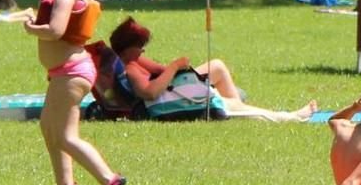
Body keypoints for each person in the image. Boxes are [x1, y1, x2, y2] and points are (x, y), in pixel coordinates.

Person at [25, 0, 124, 185]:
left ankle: (109, 179)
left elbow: (55, 31)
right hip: (69, 71)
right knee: (49, 127)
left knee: (65, 136)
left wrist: (30, 27)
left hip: (70, 72)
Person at [92, 17, 317, 122]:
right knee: (236, 106)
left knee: (217, 67)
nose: (143, 51)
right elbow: (150, 93)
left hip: (176, 91)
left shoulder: (135, 62)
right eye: (140, 47)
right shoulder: (131, 70)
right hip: (173, 100)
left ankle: (235, 101)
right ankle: (293, 117)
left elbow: (161, 71)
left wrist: (181, 70)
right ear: (129, 48)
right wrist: (173, 68)